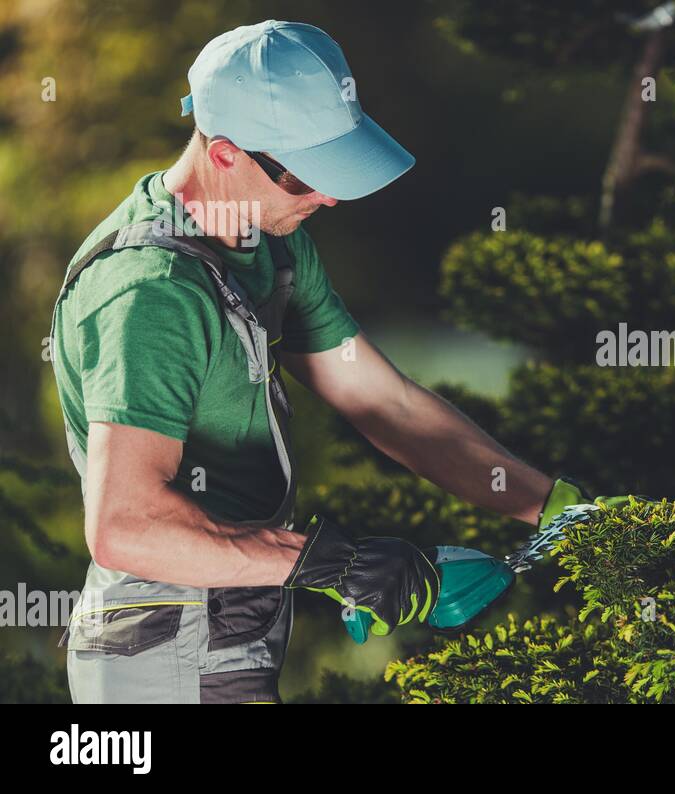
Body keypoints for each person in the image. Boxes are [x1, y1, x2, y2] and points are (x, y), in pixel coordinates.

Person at [49, 20, 611, 704]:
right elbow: (125, 526)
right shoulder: (151, 294)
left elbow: (386, 404)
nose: (332, 195)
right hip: (163, 648)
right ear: (225, 154)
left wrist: (546, 503)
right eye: (307, 174)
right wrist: (340, 566)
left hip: (229, 626)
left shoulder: (270, 245)